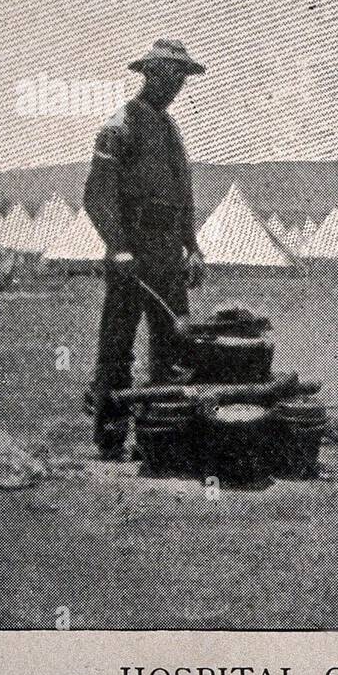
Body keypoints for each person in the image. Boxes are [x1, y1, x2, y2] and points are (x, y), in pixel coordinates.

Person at [84, 39, 207, 455]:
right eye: (170, 76)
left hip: (169, 253)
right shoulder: (119, 127)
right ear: (150, 75)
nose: (176, 86)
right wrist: (118, 248)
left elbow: (182, 198)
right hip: (132, 253)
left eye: (181, 79)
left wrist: (193, 248)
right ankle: (110, 437)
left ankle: (160, 438)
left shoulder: (171, 129)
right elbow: (97, 196)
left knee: (174, 344)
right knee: (118, 345)